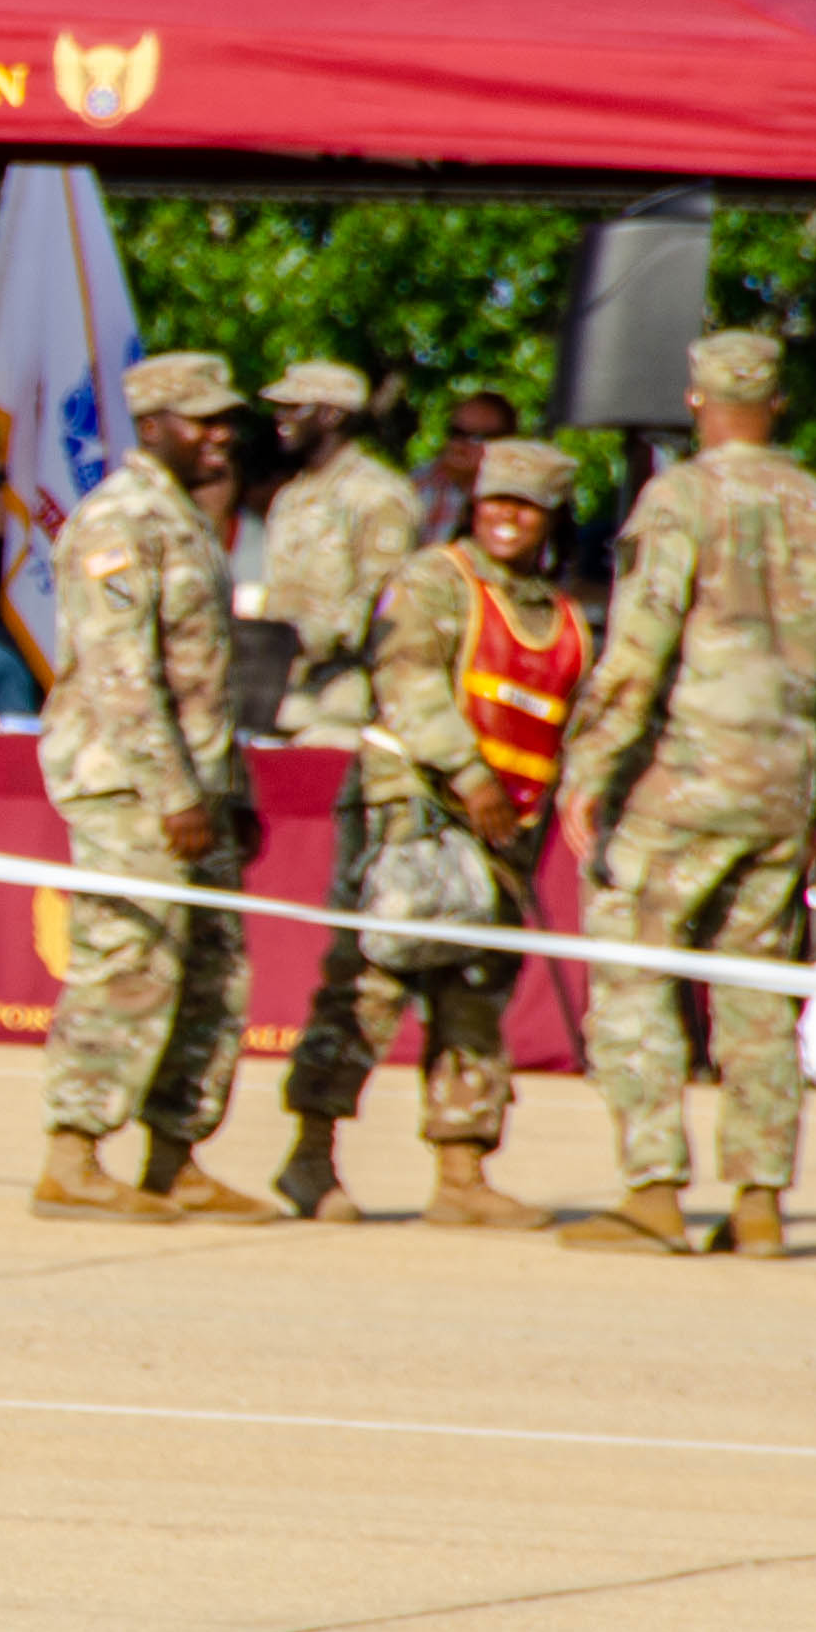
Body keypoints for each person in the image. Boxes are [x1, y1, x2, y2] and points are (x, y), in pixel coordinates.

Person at [556, 331, 816, 1259]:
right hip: (784, 793)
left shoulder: (679, 501)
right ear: (777, 405)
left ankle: (654, 1189)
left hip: (683, 784)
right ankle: (758, 1203)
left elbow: (637, 652)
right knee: (758, 999)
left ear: (695, 400)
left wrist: (587, 767)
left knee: (632, 975)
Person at [275, 439, 590, 1229]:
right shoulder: (432, 580)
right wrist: (469, 776)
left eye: (527, 506)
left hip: (503, 837)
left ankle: (462, 1172)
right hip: (410, 817)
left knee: (476, 996)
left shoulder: (561, 616)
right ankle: (311, 1157)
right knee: (371, 982)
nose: (509, 519)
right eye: (496, 502)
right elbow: (409, 681)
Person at [31, 353, 286, 1225]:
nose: (219, 435)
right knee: (130, 964)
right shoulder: (119, 520)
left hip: (198, 788)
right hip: (130, 789)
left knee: (215, 974)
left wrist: (230, 792)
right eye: (200, 420)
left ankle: (175, 1158)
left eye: (225, 420)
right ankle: (75, 1154)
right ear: (151, 426)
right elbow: (121, 676)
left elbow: (208, 681)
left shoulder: (186, 519)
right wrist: (172, 792)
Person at [258, 360, 421, 745]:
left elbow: (382, 601)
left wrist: (309, 635)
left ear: (332, 415)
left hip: (339, 703)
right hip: (279, 696)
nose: (281, 417)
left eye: (295, 407)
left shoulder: (377, 494)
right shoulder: (291, 495)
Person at [409, 389, 521, 550]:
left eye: (479, 438)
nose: (462, 445)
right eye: (457, 433)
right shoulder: (415, 487)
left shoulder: (520, 502)